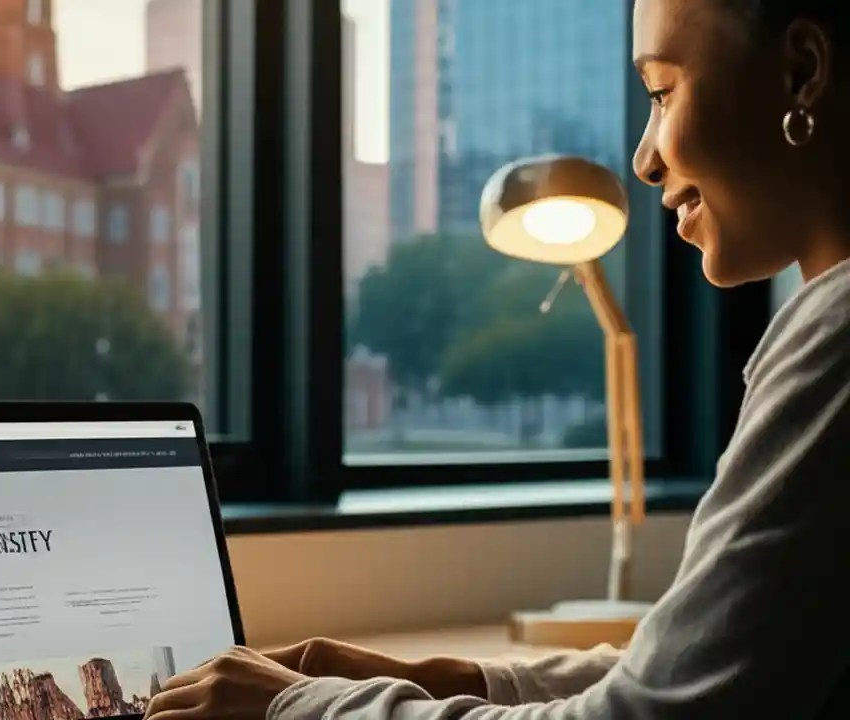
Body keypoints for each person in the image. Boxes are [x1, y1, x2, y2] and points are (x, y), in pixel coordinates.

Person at [143, 0, 850, 717]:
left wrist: (299, 709)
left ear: (802, 72)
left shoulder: (837, 337)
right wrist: (447, 678)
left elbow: (651, 715)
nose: (644, 158)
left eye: (661, 93)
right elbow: (692, 668)